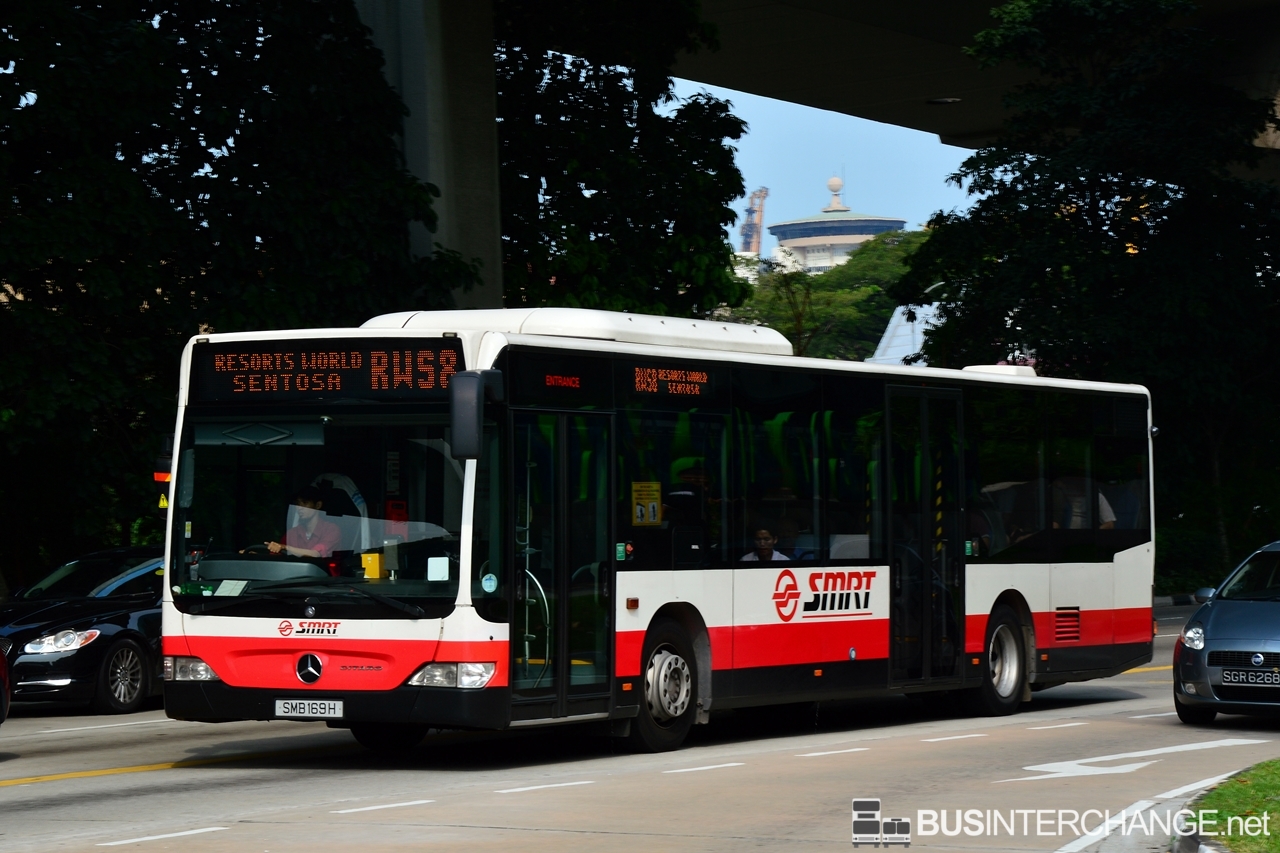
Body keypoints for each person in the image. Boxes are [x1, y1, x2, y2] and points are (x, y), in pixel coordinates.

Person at [266, 486, 342, 558]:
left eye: (305, 502)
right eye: (298, 504)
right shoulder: (291, 534)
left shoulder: (331, 530)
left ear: (318, 505)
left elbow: (315, 554)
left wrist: (285, 547)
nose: (299, 508)